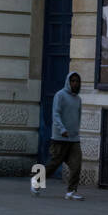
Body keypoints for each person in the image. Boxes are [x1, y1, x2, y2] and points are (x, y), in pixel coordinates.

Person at [31, 70, 83, 200]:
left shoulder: (78, 99)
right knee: (54, 164)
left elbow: (78, 117)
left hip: (73, 138)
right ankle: (36, 182)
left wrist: (76, 131)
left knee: (76, 165)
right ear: (68, 82)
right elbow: (56, 114)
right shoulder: (60, 95)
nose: (75, 83)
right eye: (73, 81)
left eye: (77, 81)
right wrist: (62, 129)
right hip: (60, 137)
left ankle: (71, 192)